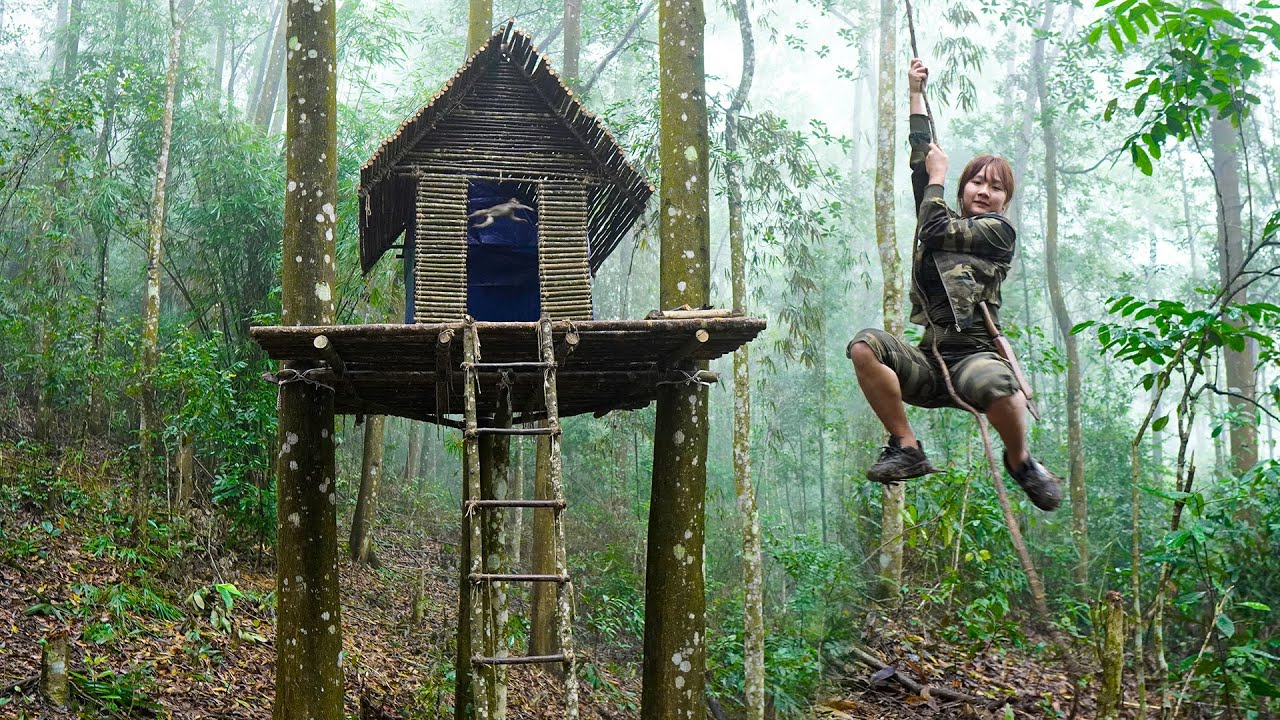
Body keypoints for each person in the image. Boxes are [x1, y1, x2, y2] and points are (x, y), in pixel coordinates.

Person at [846, 57, 1062, 511]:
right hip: (930, 361)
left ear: (1005, 200)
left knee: (995, 384)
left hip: (973, 359)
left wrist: (939, 179)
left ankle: (1021, 461)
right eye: (977, 183)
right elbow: (922, 167)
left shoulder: (997, 233)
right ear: (963, 190)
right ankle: (906, 447)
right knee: (865, 346)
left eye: (995, 187)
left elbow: (934, 224)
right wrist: (914, 94)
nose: (984, 191)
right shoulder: (940, 210)